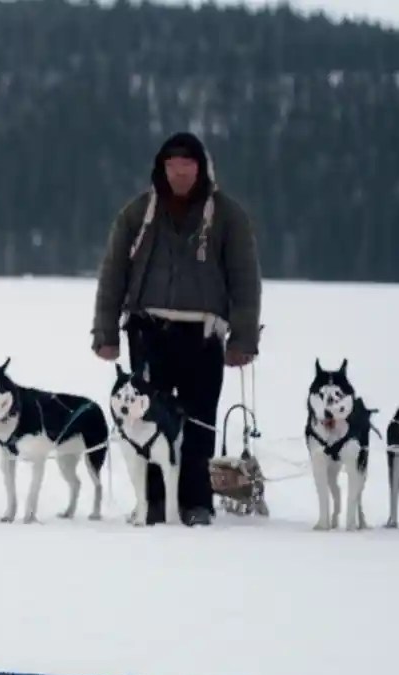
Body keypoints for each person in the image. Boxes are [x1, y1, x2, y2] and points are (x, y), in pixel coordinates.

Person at [90, 131, 262, 526]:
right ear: (161, 168)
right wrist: (106, 333)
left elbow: (245, 280)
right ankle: (153, 501)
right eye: (172, 165)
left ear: (201, 168)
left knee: (200, 419)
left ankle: (196, 501)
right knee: (148, 418)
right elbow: (113, 272)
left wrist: (243, 339)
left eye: (187, 164)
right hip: (148, 332)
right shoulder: (138, 214)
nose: (179, 172)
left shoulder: (227, 216)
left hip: (203, 335)